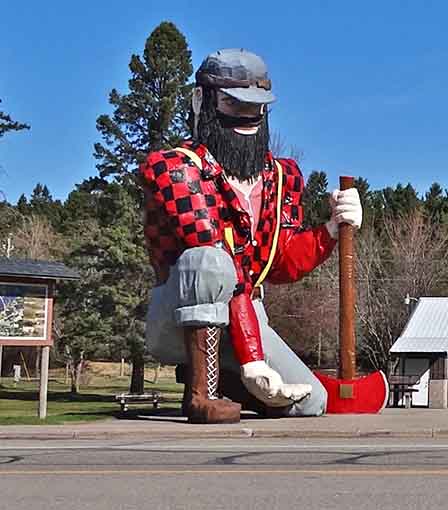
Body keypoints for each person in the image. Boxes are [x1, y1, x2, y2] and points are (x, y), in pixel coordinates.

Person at [140, 48, 362, 423]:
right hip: (180, 316)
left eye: (255, 107)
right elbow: (218, 257)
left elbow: (282, 263)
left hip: (248, 319)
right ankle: (201, 393)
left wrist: (331, 230)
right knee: (208, 262)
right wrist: (254, 355)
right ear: (202, 101)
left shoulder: (282, 177)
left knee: (311, 402)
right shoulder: (175, 169)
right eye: (232, 103)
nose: (246, 117)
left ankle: (230, 380)